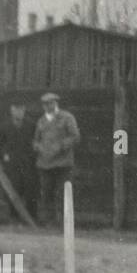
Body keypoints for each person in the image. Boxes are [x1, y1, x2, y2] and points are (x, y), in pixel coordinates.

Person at [33, 92, 80, 226]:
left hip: (62, 164)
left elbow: (75, 137)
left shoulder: (67, 117)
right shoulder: (41, 121)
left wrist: (60, 147)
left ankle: (64, 223)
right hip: (44, 164)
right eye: (45, 104)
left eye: (51, 103)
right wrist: (39, 148)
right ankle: (49, 222)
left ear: (56, 103)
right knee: (46, 193)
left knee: (63, 194)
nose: (48, 106)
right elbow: (36, 140)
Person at [0, 100, 39, 223]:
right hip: (12, 165)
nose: (18, 112)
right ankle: (14, 218)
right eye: (15, 109)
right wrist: (4, 155)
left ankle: (31, 219)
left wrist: (34, 155)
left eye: (20, 109)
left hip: (29, 164)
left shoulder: (32, 125)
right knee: (14, 190)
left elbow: (37, 142)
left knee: (31, 191)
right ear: (11, 110)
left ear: (24, 110)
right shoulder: (5, 126)